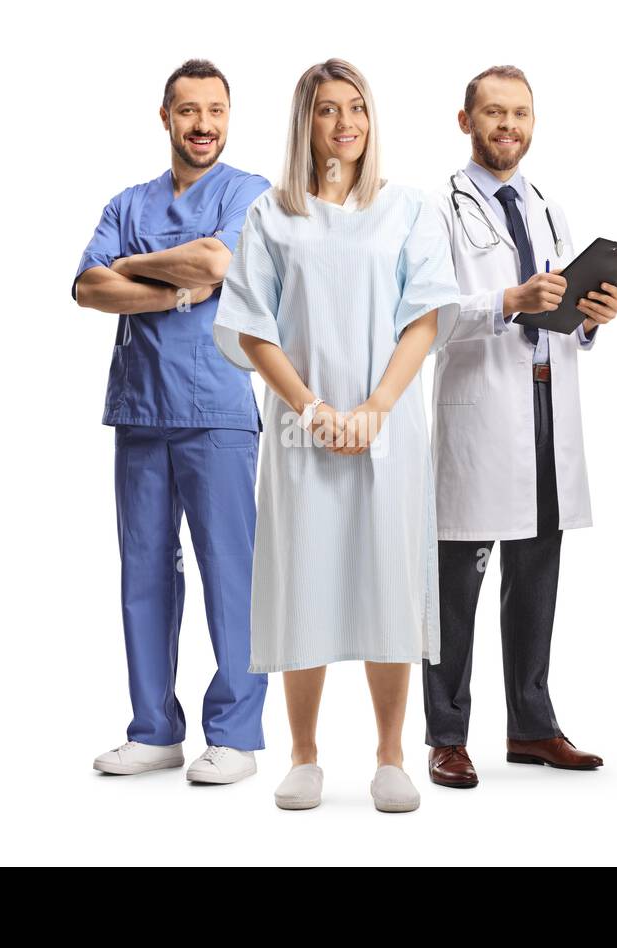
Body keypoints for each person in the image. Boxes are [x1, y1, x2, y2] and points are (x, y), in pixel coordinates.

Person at [212, 58, 461, 812]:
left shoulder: (408, 208)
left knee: (390, 578)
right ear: (305, 121)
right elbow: (253, 328)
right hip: (303, 428)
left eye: (356, 107)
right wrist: (314, 408)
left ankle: (390, 755)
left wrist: (378, 405)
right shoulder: (272, 215)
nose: (345, 122)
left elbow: (423, 319)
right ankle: (305, 755)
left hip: (386, 426)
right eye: (328, 109)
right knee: (303, 576)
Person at [424, 65, 617, 788]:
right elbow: (426, 319)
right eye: (494, 114)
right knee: (456, 585)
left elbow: (563, 320)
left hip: (545, 407)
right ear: (465, 121)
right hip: (479, 419)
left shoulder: (546, 208)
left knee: (537, 572)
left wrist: (590, 319)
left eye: (520, 115)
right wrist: (506, 300)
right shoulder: (436, 211)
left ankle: (533, 728)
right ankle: (447, 735)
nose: (508, 126)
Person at [72, 59, 271, 785]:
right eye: (189, 111)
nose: (203, 125)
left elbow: (218, 259)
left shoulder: (248, 193)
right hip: (140, 407)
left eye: (215, 110)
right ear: (166, 118)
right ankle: (154, 731)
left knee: (231, 570)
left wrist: (137, 271)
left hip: (216, 406)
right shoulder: (129, 200)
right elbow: (89, 287)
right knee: (145, 572)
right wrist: (176, 290)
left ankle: (237, 734)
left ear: (228, 117)